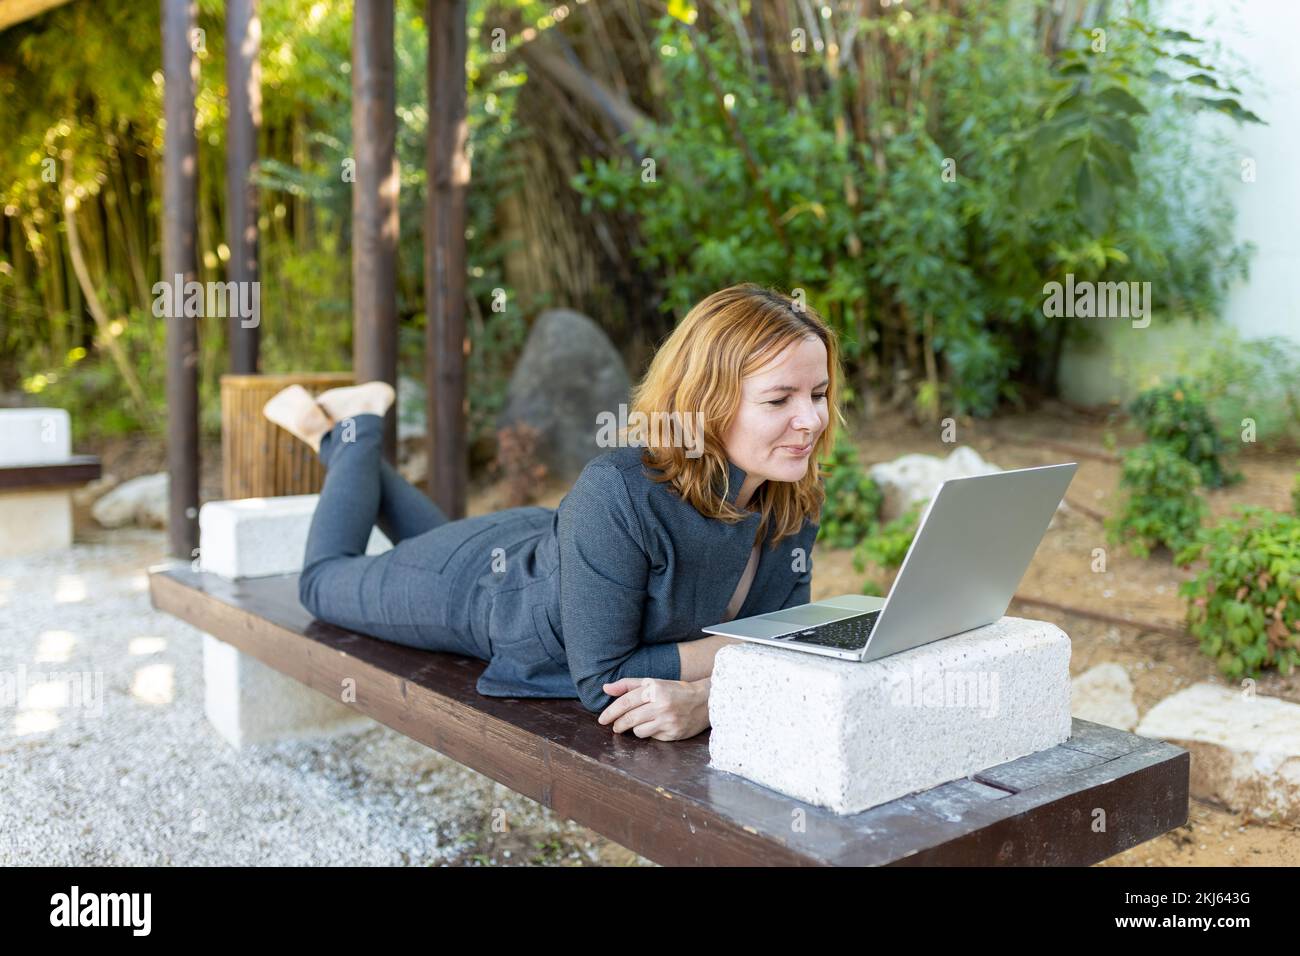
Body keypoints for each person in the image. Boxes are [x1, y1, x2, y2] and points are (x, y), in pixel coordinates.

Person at [262, 283, 842, 741]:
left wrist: (710, 696)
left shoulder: (792, 496)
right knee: (320, 583)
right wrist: (747, 654)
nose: (811, 421)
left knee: (426, 546)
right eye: (778, 399)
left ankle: (337, 435)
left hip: (552, 545)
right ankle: (359, 429)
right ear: (707, 403)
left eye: (817, 395)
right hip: (478, 590)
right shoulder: (619, 489)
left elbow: (784, 642)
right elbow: (602, 679)